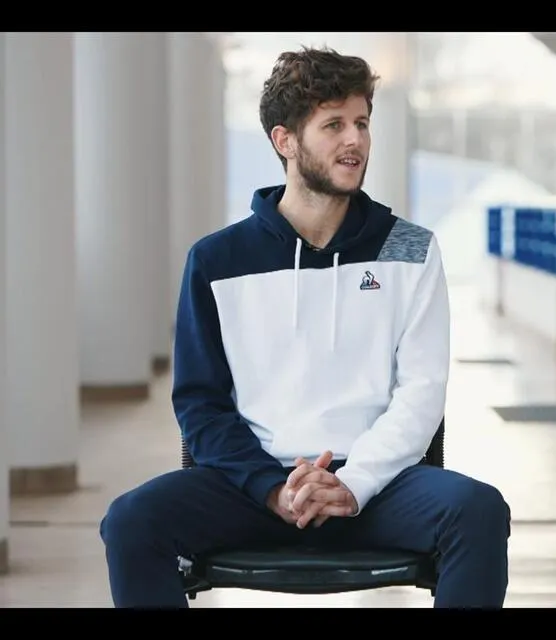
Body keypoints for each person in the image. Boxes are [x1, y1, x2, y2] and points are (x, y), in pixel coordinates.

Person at [99, 46, 511, 609]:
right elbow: (201, 404)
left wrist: (352, 484)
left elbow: (422, 392)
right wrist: (272, 488)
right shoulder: (216, 260)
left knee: (479, 511)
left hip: (377, 487)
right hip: (255, 487)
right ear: (285, 141)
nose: (355, 140)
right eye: (334, 125)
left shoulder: (411, 248)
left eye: (362, 122)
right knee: (131, 520)